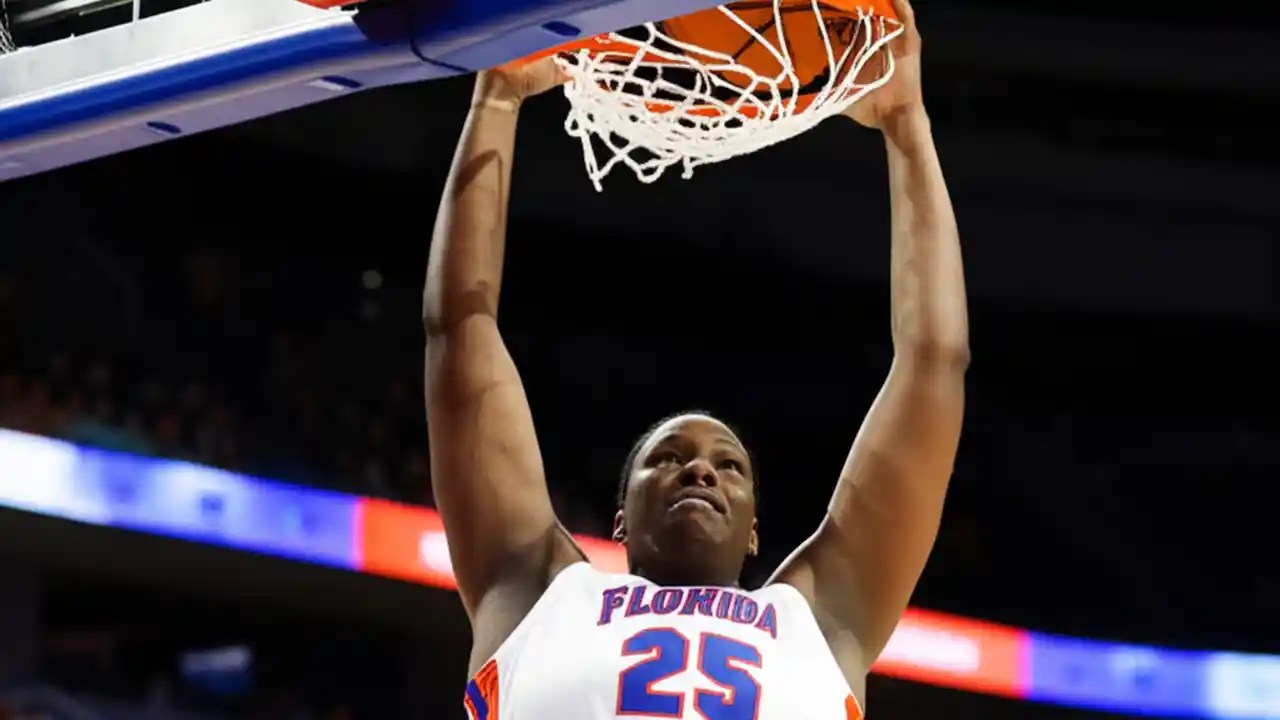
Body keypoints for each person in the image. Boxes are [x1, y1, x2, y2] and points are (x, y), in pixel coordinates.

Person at [422, 0, 968, 716]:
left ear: (754, 532)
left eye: (729, 465)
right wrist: (495, 100)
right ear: (620, 518)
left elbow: (934, 363)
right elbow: (459, 333)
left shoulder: (821, 617)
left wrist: (908, 126)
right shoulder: (539, 591)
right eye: (668, 457)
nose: (701, 467)